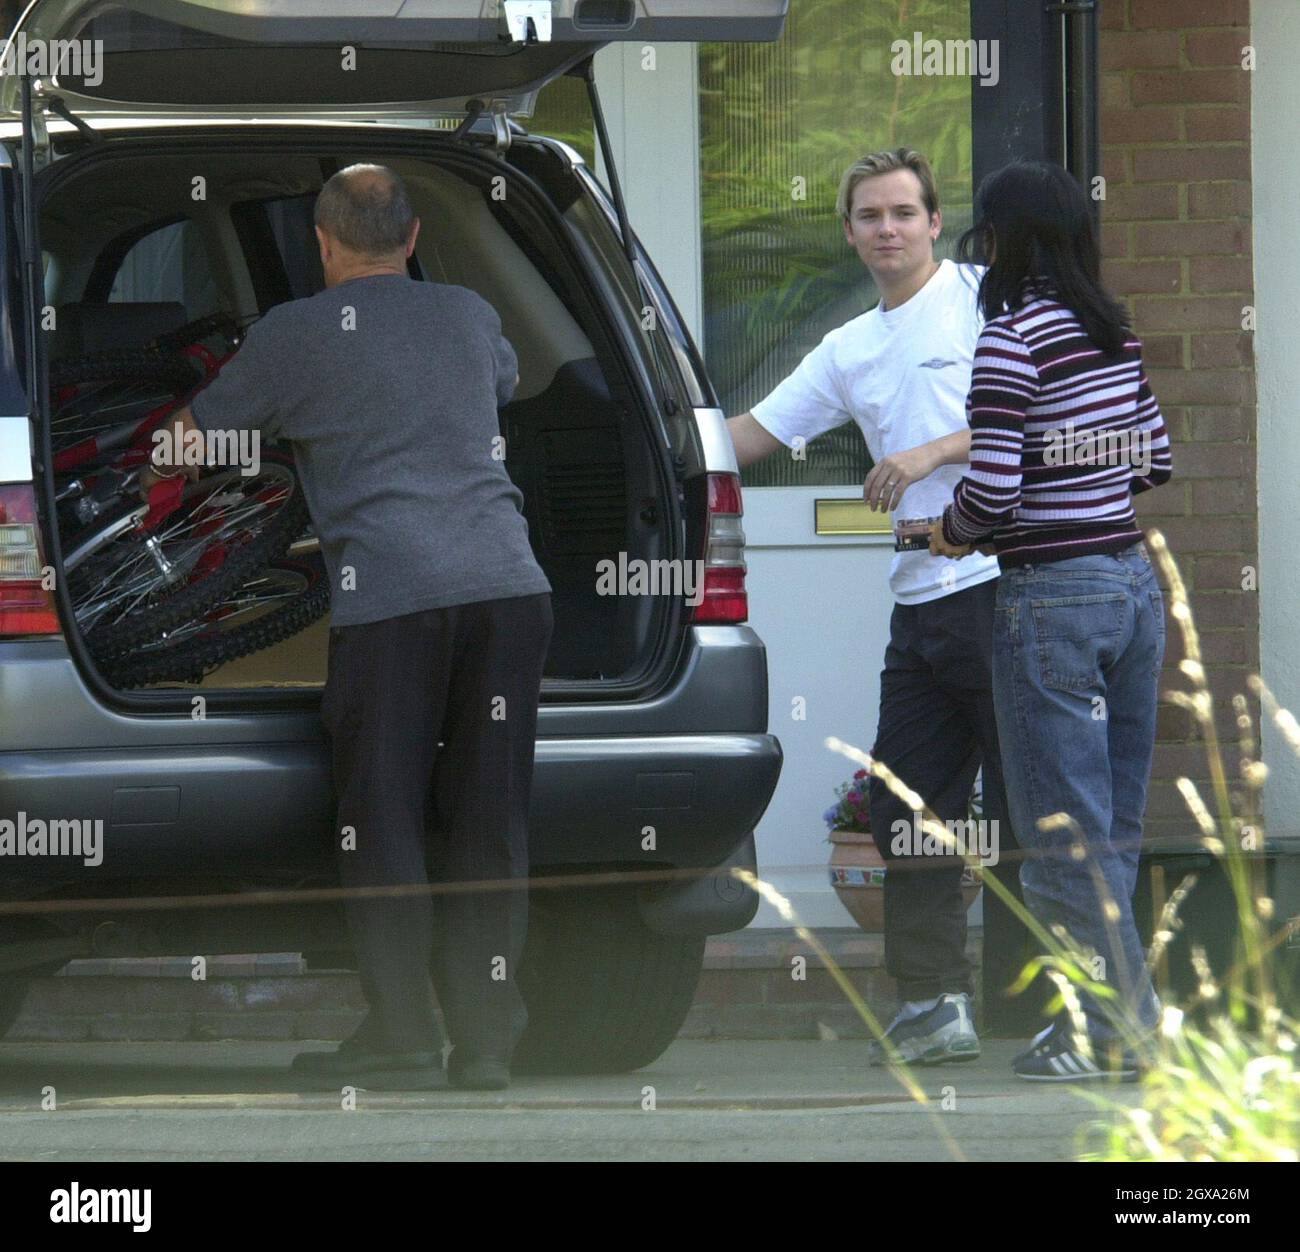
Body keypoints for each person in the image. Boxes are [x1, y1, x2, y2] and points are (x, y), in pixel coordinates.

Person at [140, 164, 554, 1091]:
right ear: (411, 241)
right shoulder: (468, 313)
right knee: (490, 816)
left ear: (321, 245)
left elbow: (183, 446)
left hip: (394, 598)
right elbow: (505, 381)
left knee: (385, 815)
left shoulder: (294, 334)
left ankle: (403, 1033)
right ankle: (487, 1041)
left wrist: (169, 463)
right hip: (508, 588)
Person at [728, 148, 1010, 1066]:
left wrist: (930, 454)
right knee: (908, 810)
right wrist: (649, 438)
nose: (887, 228)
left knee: (1036, 804)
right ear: (849, 233)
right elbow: (751, 437)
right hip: (920, 607)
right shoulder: (849, 347)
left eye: (903, 212)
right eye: (869, 216)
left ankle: (1068, 1008)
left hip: (1007, 590)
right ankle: (933, 1006)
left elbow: (1039, 412)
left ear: (935, 221)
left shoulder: (985, 297)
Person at [932, 160, 1173, 1082]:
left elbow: (990, 494)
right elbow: (1153, 458)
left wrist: (945, 534)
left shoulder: (1010, 341)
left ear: (1001, 239)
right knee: (1109, 829)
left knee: (1062, 839)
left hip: (1052, 598)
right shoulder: (1114, 332)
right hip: (1131, 586)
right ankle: (1109, 1028)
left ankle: (1121, 1037)